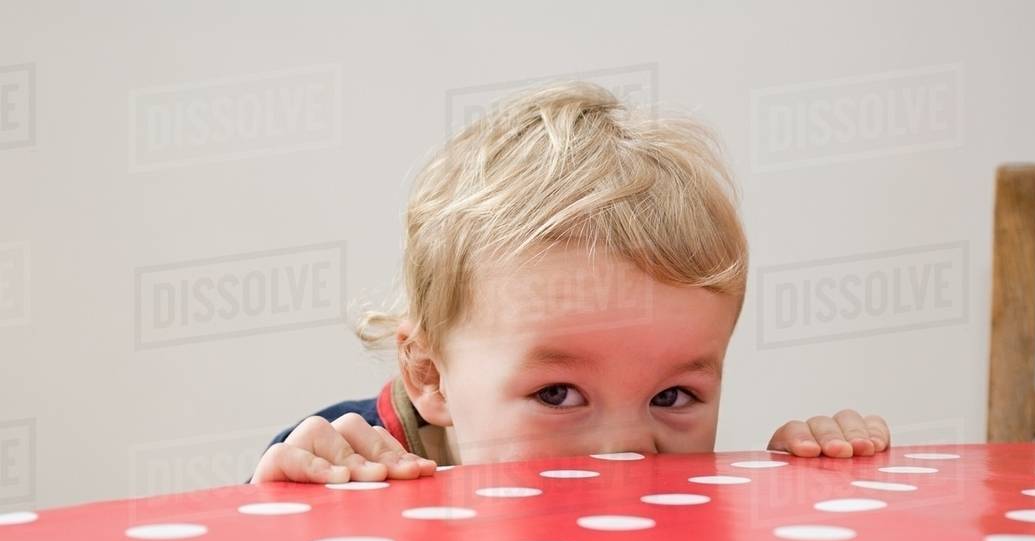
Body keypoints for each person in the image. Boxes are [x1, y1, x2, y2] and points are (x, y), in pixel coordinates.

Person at [250, 81, 889, 485]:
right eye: (558, 394)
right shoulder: (350, 458)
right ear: (430, 377)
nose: (624, 451)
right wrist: (283, 507)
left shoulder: (673, 497)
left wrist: (806, 473)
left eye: (672, 397)